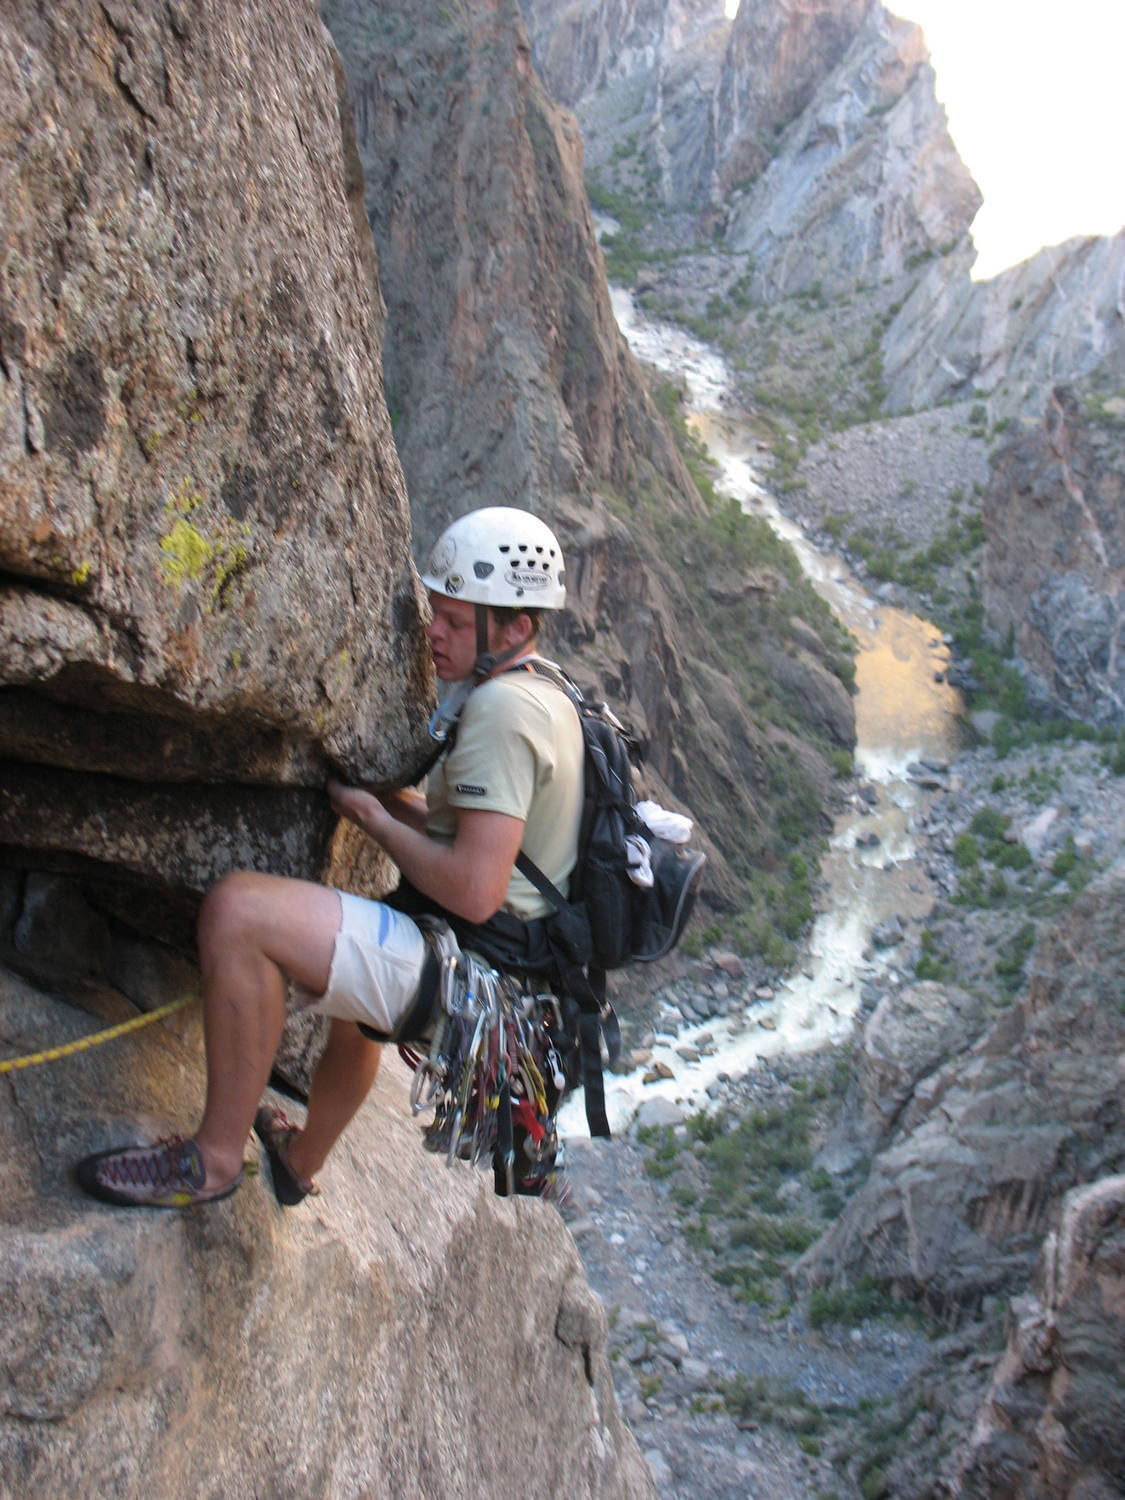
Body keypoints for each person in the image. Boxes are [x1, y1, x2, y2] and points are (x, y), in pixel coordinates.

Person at [76, 507, 583, 1208]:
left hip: (478, 978)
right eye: (437, 612)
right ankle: (299, 1160)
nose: (433, 632)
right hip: (514, 977)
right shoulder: (545, 692)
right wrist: (383, 800)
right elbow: (477, 837)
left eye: (457, 623)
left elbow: (473, 888)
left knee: (238, 913)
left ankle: (213, 1162)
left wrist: (373, 815)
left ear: (516, 627)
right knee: (358, 1001)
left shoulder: (504, 714)